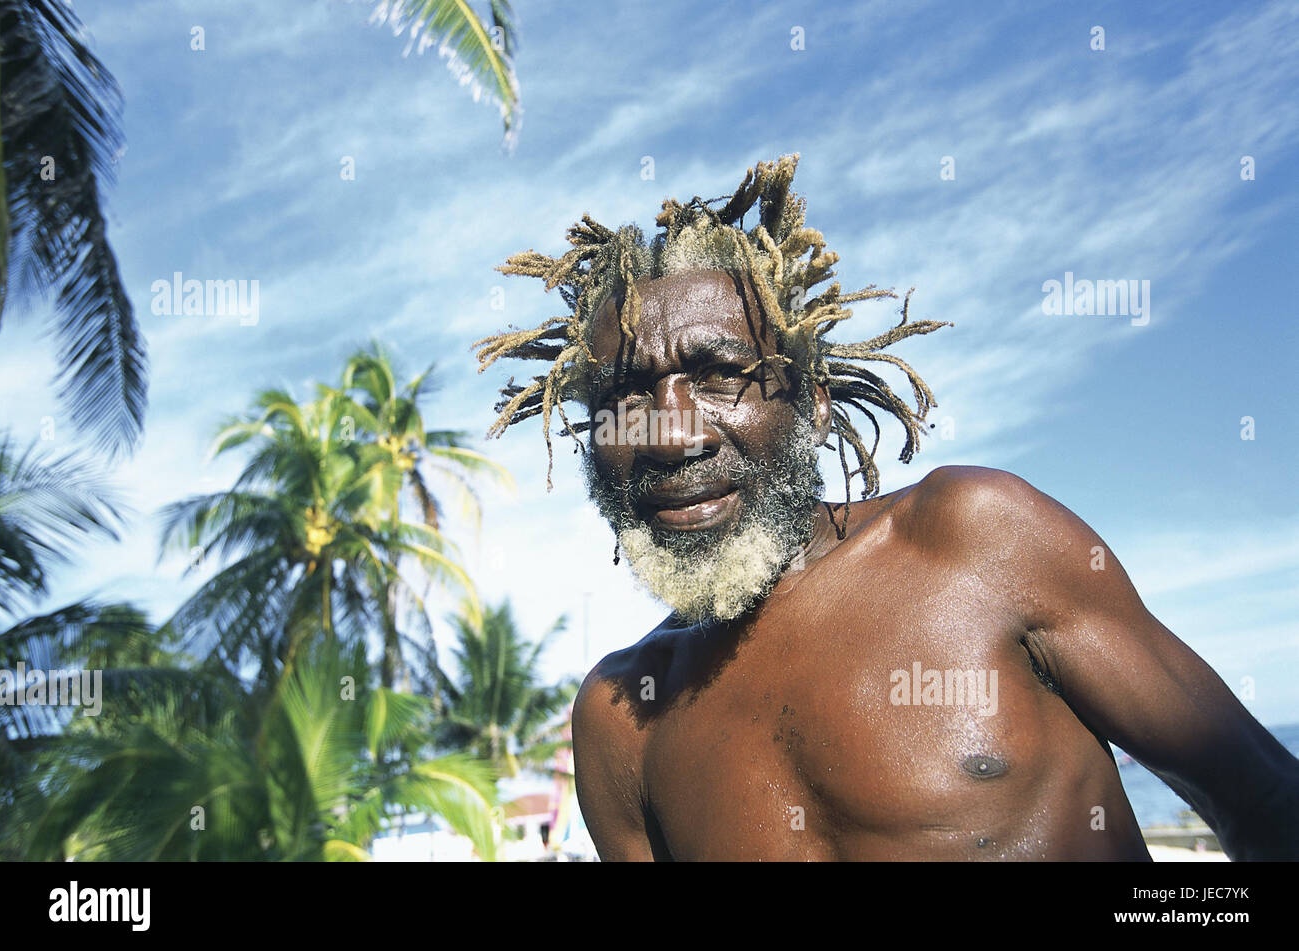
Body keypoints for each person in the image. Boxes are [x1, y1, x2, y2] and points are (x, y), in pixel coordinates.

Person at [473, 155, 1299, 861]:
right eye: (625, 397)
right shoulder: (623, 718)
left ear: (815, 404)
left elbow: (1266, 806)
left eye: (721, 372)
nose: (672, 434)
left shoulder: (974, 537)